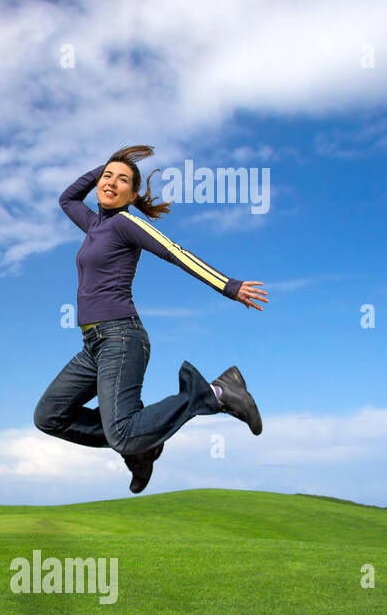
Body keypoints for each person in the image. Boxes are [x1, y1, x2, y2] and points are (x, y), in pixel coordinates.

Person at [33, 145, 267, 494]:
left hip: (121, 338)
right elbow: (67, 199)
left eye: (122, 179)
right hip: (93, 345)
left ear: (133, 193)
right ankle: (143, 446)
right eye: (106, 177)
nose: (110, 182)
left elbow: (174, 252)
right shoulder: (94, 224)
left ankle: (217, 393)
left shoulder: (127, 223)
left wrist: (228, 286)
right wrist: (109, 167)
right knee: (49, 417)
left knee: (123, 433)